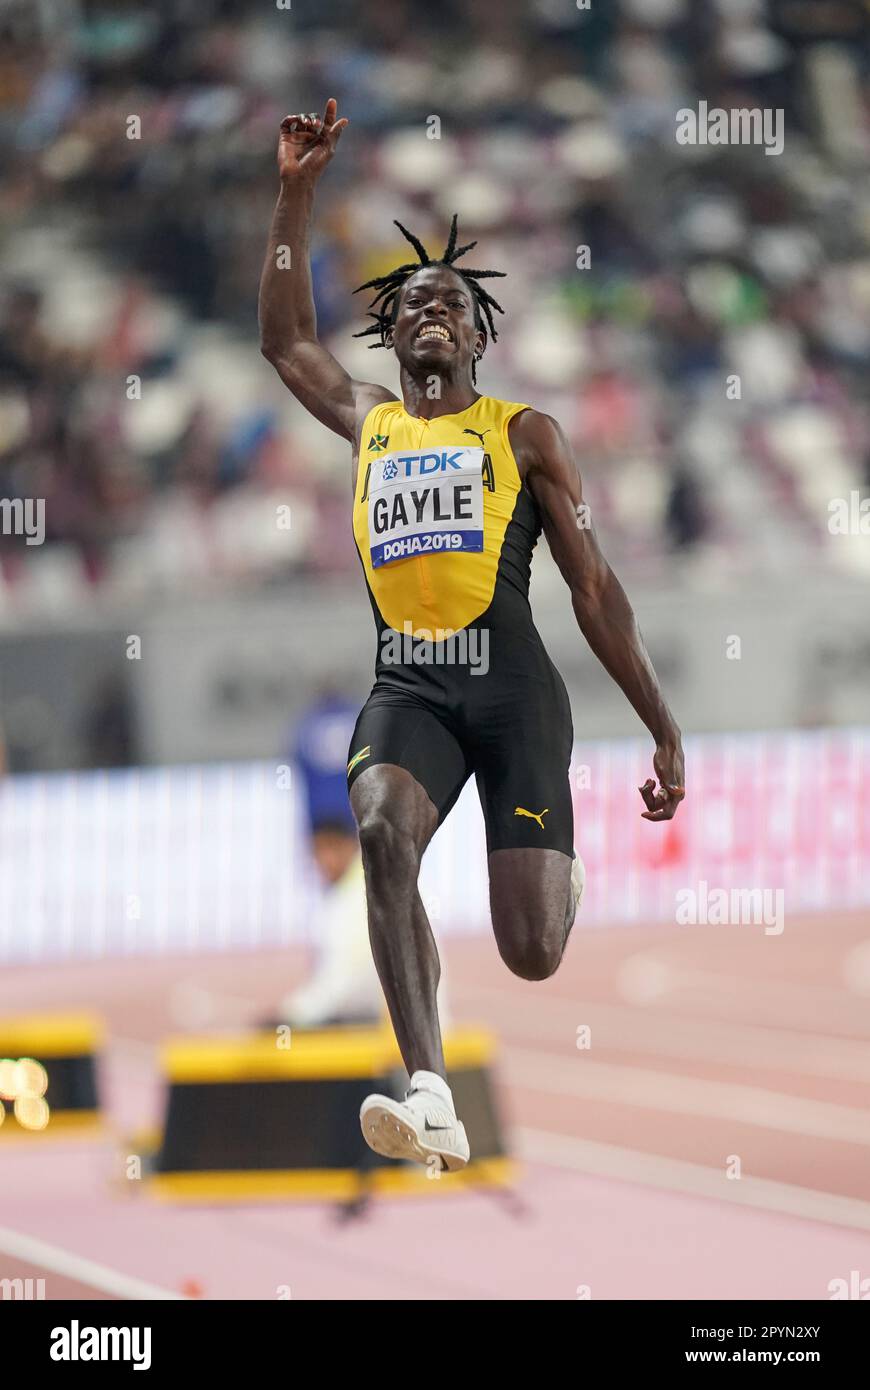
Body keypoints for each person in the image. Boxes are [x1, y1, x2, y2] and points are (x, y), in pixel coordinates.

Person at [259, 99, 685, 1172]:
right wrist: (297, 187)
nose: (432, 310)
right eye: (412, 302)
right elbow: (281, 340)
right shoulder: (370, 420)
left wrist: (661, 728)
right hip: (410, 689)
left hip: (513, 693)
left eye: (451, 300)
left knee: (533, 950)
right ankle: (430, 1088)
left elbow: (595, 591)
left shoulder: (525, 433)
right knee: (380, 829)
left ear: (480, 334)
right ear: (393, 337)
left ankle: (555, 875)